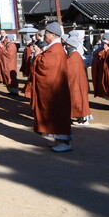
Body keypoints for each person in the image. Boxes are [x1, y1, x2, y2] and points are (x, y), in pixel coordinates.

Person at [25, 22, 73, 152]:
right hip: (53, 87)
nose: (44, 34)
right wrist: (40, 54)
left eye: (46, 32)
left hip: (54, 88)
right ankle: (58, 139)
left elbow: (46, 66)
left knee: (58, 113)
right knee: (54, 113)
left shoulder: (55, 49)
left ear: (52, 35)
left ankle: (65, 142)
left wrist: (38, 55)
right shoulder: (53, 47)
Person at [66, 34, 92, 126]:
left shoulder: (74, 57)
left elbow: (68, 69)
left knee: (78, 100)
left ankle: (83, 118)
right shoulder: (75, 56)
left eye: (68, 45)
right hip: (78, 82)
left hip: (76, 83)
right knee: (78, 100)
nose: (66, 47)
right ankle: (81, 118)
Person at [0, 30, 19, 95]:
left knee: (11, 76)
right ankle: (11, 90)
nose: (6, 39)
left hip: (10, 63)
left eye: (7, 38)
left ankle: (14, 91)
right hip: (6, 63)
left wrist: (2, 47)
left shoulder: (12, 45)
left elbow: (9, 54)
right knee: (7, 75)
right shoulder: (8, 44)